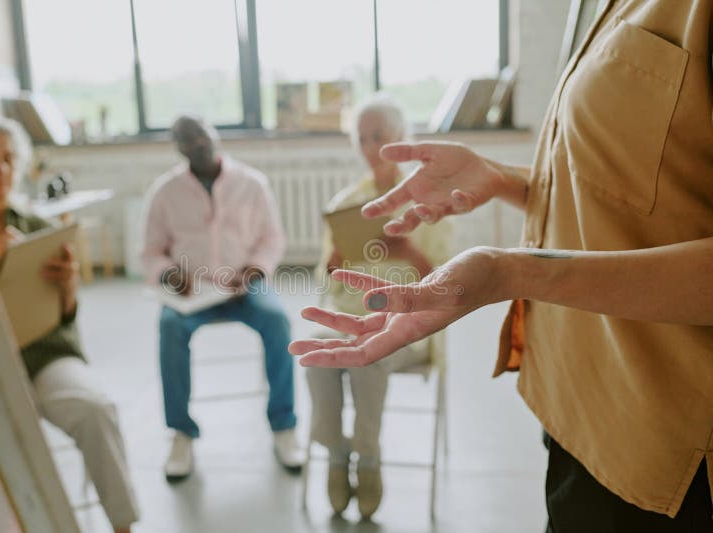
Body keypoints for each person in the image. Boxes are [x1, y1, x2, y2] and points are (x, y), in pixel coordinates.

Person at [290, 2, 713, 531]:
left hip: (658, 437)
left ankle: (364, 459)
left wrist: (511, 272)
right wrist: (499, 175)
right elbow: (608, 191)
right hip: (573, 396)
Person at [0, 114, 139, 533]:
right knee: (8, 430)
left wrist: (68, 286)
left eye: (7, 158)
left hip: (46, 354)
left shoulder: (40, 227)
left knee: (96, 409)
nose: (0, 169)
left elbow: (66, 315)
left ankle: (123, 526)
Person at [306, 95, 451, 518]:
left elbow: (450, 285)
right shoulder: (346, 204)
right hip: (350, 318)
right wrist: (333, 264)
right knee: (317, 350)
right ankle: (337, 452)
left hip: (410, 323)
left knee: (370, 350)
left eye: (379, 137)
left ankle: (367, 454)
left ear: (401, 137)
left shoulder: (431, 201)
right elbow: (325, 284)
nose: (370, 148)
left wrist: (408, 251)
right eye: (362, 139)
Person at [142, 114, 304, 481]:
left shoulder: (252, 183)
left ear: (214, 134)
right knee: (170, 327)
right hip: (192, 291)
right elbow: (151, 251)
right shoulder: (165, 192)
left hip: (244, 286)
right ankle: (181, 432)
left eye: (201, 135)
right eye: (187, 140)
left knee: (278, 321)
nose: (197, 144)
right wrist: (169, 274)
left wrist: (254, 270)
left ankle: (284, 425)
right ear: (178, 148)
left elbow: (272, 239)